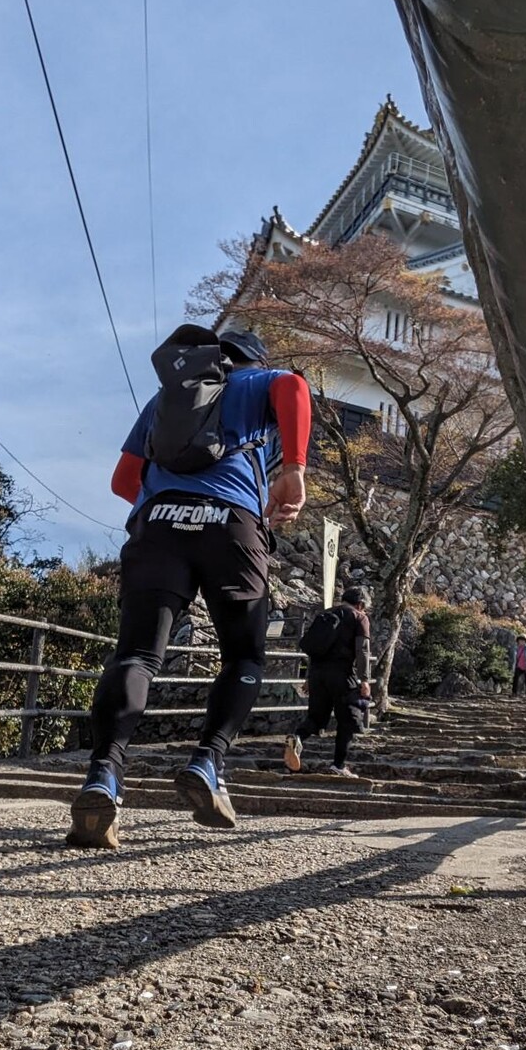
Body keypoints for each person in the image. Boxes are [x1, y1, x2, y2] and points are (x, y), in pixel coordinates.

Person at [68, 324, 312, 849]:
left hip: (157, 526)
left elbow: (122, 480)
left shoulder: (164, 400)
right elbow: (293, 387)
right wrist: (292, 469)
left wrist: (167, 504)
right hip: (229, 525)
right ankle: (208, 762)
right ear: (251, 360)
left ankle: (103, 777)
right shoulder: (251, 381)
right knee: (243, 656)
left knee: (135, 655)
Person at [284, 586, 372, 778]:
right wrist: (364, 679)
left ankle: (297, 737)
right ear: (360, 604)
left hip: (317, 674)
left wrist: (308, 678)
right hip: (341, 674)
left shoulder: (325, 615)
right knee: (348, 719)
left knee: (316, 718)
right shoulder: (359, 617)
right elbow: (362, 651)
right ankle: (338, 765)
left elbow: (315, 649)